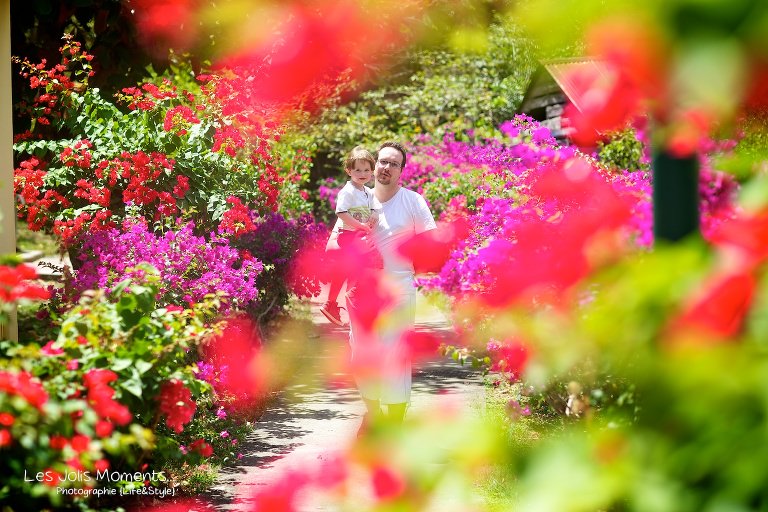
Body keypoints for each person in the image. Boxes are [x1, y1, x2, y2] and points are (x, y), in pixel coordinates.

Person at [346, 141, 436, 430]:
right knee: (361, 354)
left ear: (401, 171)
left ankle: (394, 427)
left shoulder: (413, 201)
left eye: (393, 163)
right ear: (373, 166)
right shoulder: (357, 199)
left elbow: (431, 242)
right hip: (362, 292)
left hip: (399, 291)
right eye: (382, 161)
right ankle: (374, 415)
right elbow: (334, 242)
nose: (385, 167)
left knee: (396, 358)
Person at [320, 146, 382, 326]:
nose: (362, 173)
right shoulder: (348, 191)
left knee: (350, 268)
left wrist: (373, 217)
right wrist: (360, 225)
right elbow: (341, 212)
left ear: (372, 171)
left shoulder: (367, 192)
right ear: (349, 171)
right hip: (348, 235)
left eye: (366, 170)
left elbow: (374, 209)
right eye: (357, 170)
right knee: (361, 264)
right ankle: (344, 299)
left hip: (358, 235)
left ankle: (335, 302)